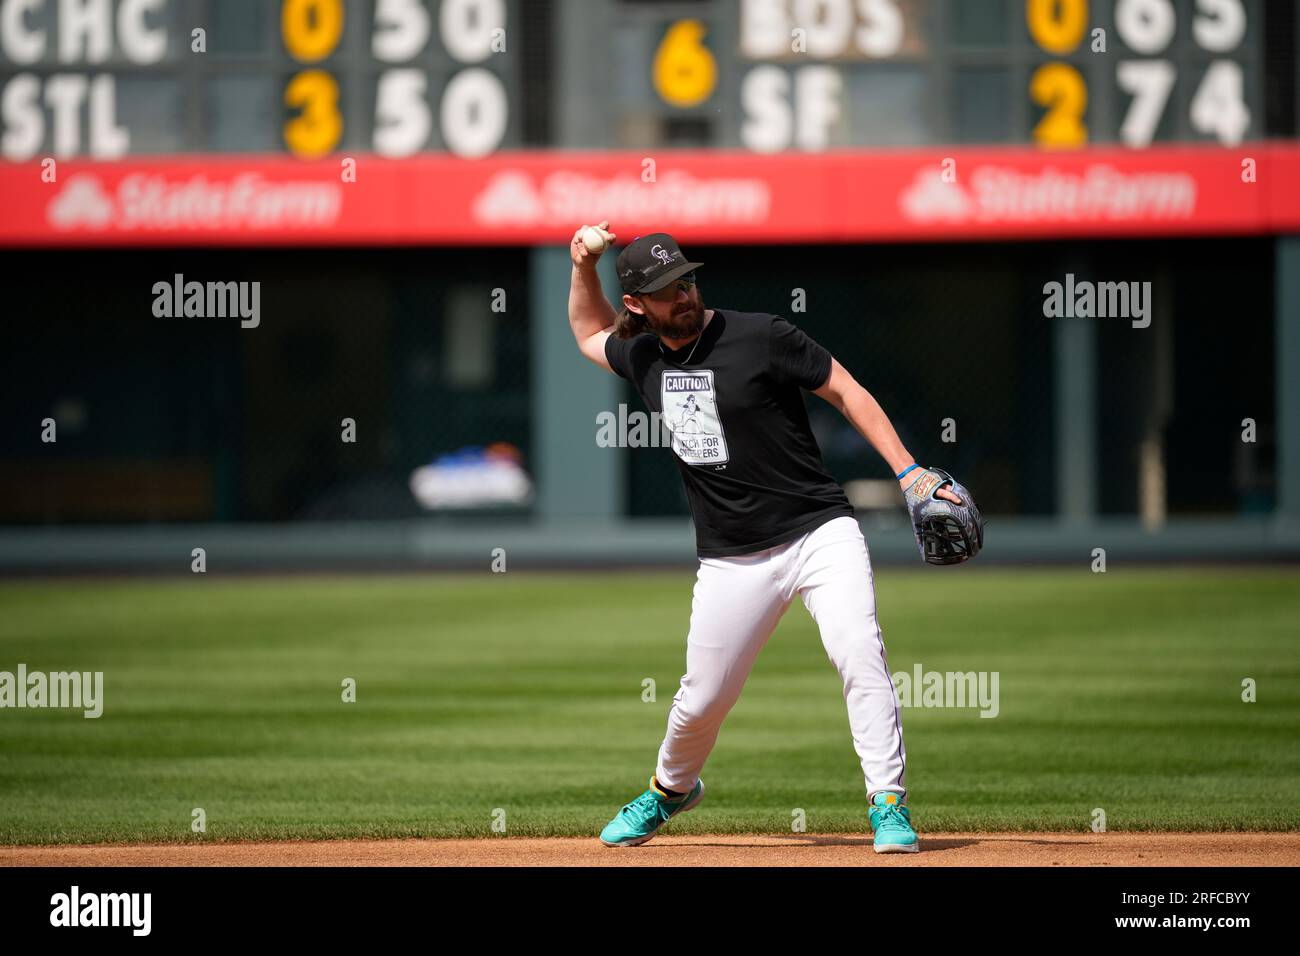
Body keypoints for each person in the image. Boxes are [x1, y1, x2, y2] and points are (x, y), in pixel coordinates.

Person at [567, 222, 963, 853]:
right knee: (702, 698)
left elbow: (845, 390)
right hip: (730, 556)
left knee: (859, 653)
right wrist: (582, 267)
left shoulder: (761, 334)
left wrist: (909, 471)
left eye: (688, 279)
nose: (685, 295)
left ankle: (888, 803)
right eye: (668, 289)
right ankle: (671, 790)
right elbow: (589, 331)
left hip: (818, 531)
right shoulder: (641, 355)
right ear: (639, 305)